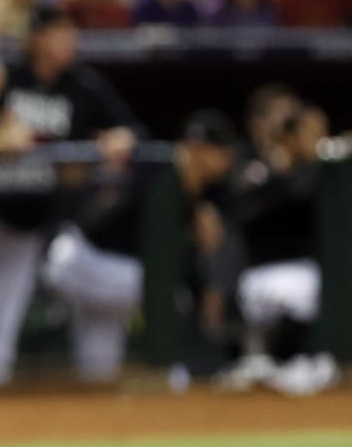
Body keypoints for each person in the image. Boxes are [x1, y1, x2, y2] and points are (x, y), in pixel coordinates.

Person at [0, 4, 140, 388]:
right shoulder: (5, 78)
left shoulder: (83, 84)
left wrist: (120, 137)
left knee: (7, 311)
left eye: (71, 33)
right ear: (36, 39)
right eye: (59, 33)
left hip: (41, 219)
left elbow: (130, 129)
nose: (70, 41)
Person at [225, 103, 352, 395]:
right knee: (309, 291)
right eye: (312, 133)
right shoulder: (263, 170)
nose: (321, 141)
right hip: (267, 275)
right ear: (288, 139)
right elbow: (280, 195)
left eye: (323, 132)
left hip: (322, 273)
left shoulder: (329, 175)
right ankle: (293, 362)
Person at [41, 110, 237, 381]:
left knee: (98, 374)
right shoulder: (156, 167)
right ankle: (173, 374)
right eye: (219, 151)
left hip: (108, 267)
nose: (226, 160)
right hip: (82, 257)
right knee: (168, 294)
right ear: (197, 149)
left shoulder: (197, 191)